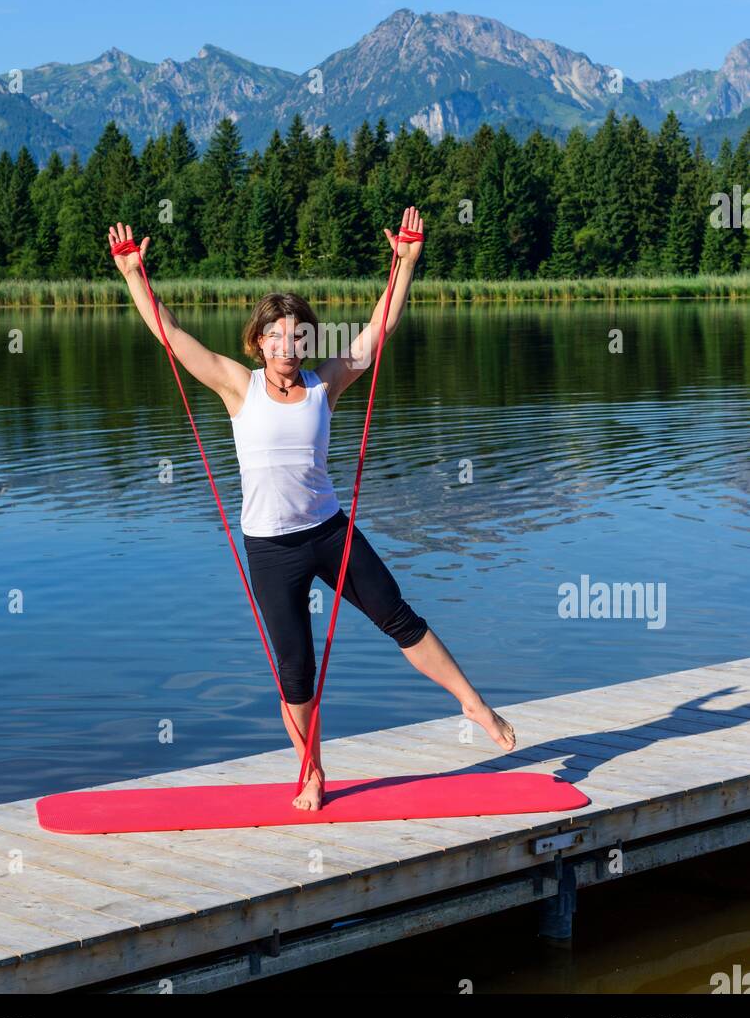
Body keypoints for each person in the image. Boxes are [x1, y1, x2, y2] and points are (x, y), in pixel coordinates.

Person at [108, 207, 516, 812]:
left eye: (298, 334)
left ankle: (473, 703)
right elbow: (169, 334)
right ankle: (312, 770)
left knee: (397, 616)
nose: (287, 344)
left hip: (329, 534)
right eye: (276, 334)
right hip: (271, 549)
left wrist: (405, 264)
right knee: (295, 670)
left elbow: (377, 333)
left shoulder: (326, 384)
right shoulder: (234, 384)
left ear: (307, 341)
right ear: (259, 340)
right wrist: (135, 277)